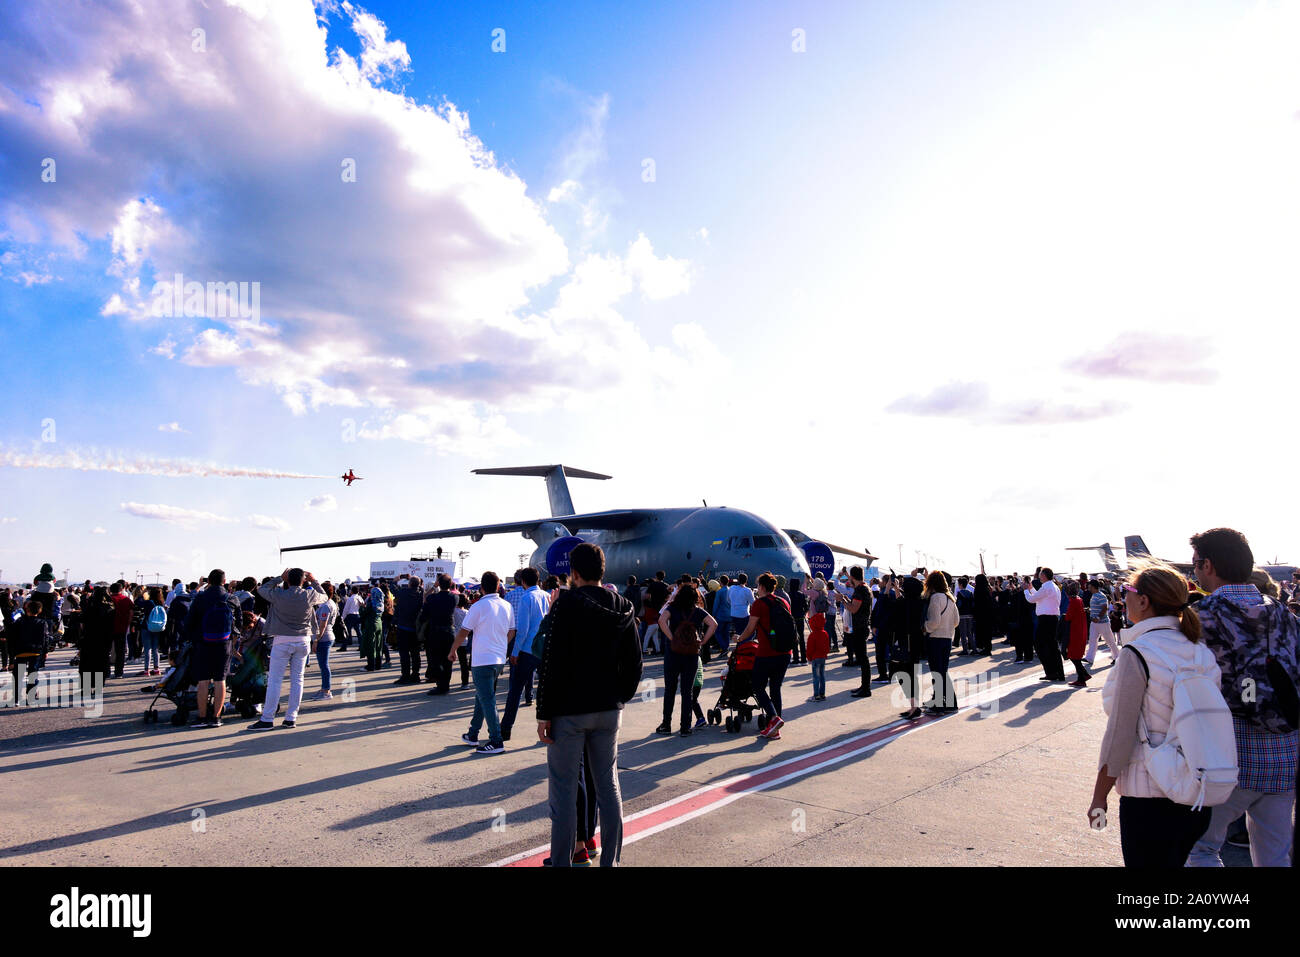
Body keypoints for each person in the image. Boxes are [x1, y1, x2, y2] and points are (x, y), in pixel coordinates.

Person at [1089, 562, 1223, 866]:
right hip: (1196, 790)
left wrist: (1100, 796)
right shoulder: (1199, 649)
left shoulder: (1138, 653)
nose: (1124, 598)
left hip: (1149, 797)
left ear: (1144, 601)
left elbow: (1120, 734)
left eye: (1128, 591)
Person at [1185, 528, 1299, 868]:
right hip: (1285, 754)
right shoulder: (1286, 615)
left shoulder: (1199, 616)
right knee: (1275, 855)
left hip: (1228, 756)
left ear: (1207, 565)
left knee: (1201, 850)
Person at [536, 543, 642, 866]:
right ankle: (611, 860)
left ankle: (562, 861)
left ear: (574, 573)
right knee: (608, 785)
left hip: (569, 711)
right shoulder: (623, 606)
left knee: (564, 792)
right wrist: (618, 697)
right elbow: (635, 664)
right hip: (609, 709)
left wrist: (544, 712)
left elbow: (550, 661)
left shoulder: (566, 605)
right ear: (602, 571)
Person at [249, 568, 326, 730]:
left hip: (282, 639)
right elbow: (325, 597)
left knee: (275, 680)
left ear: (288, 580)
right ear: (303, 580)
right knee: (297, 679)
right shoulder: (309, 595)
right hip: (303, 639)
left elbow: (261, 589)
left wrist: (278, 578)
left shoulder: (278, 594)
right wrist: (314, 581)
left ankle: (268, 718)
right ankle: (291, 717)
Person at [450, 571, 513, 755]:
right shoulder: (507, 606)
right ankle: (472, 734)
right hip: (498, 659)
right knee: (482, 696)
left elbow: (463, 632)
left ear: (482, 588)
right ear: (499, 586)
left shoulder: (478, 606)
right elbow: (511, 631)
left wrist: (452, 650)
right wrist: (500, 645)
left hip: (482, 659)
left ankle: (496, 740)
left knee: (487, 700)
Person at [732, 572, 793, 739]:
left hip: (767, 652)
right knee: (775, 689)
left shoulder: (759, 604)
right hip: (785, 652)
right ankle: (775, 728)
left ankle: (773, 718)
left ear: (762, 587)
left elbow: (751, 628)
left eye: (758, 586)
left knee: (758, 686)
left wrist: (740, 638)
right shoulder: (783, 602)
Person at [185, 570, 244, 728]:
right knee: (220, 680)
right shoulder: (232, 598)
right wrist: (233, 641)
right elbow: (239, 624)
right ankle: (216, 718)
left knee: (203, 680)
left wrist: (192, 638)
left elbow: (189, 622)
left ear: (208, 581)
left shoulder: (200, 598)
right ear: (224, 581)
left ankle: (202, 717)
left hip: (202, 642)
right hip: (224, 643)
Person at [656, 583, 716, 735]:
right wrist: (702, 641)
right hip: (691, 654)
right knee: (687, 691)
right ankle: (685, 727)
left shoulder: (672, 608)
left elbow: (661, 621)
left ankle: (666, 724)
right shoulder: (698, 611)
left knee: (669, 689)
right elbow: (713, 624)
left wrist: (671, 638)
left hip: (673, 653)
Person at [500, 567, 550, 741]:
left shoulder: (526, 597)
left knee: (515, 691)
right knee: (545, 691)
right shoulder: (546, 596)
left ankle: (505, 729)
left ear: (522, 582)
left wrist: (514, 652)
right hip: (544, 649)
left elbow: (523, 629)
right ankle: (549, 727)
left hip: (528, 649)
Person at [921, 571, 959, 714]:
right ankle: (950, 703)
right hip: (948, 638)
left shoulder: (936, 598)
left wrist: (925, 627)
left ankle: (939, 705)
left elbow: (934, 621)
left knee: (937, 673)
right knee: (942, 672)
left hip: (935, 638)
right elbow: (956, 621)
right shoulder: (950, 598)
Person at [891, 574, 928, 720]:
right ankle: (914, 706)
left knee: (903, 674)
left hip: (903, 642)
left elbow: (893, 619)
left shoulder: (902, 603)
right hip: (916, 641)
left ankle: (914, 706)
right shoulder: (921, 602)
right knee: (912, 673)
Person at [420, 574, 459, 695]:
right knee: (448, 660)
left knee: (435, 659)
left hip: (435, 631)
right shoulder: (454, 598)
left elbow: (425, 599)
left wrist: (433, 587)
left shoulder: (432, 598)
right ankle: (445, 685)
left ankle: (440, 685)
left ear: (438, 584)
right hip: (449, 630)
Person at [1025, 568, 1066, 681]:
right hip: (1052, 618)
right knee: (1051, 646)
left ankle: (1051, 672)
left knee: (1041, 645)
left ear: (1044, 576)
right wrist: (1031, 589)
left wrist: (1026, 591)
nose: (1039, 576)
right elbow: (1039, 596)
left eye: (1040, 575)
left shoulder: (1047, 587)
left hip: (1046, 619)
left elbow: (1032, 599)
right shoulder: (1053, 586)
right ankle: (1057, 672)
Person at [846, 567, 873, 698]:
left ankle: (866, 688)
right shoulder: (866, 588)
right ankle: (864, 685)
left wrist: (843, 601)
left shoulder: (859, 591)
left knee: (863, 658)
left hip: (860, 627)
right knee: (863, 659)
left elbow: (853, 609)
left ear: (852, 577)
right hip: (863, 626)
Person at [392, 576, 424, 685]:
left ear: (409, 584)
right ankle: (416, 675)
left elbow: (393, 586)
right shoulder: (421, 595)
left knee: (404, 653)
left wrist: (401, 577)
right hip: (415, 628)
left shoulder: (403, 593)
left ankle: (405, 675)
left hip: (403, 626)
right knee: (415, 653)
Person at [312, 582, 339, 700]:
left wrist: (316, 641)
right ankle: (324, 688)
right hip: (327, 636)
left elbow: (322, 625)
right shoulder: (330, 603)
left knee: (324, 665)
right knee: (323, 665)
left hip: (324, 638)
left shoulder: (325, 606)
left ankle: (327, 690)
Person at [1086, 579, 1120, 665]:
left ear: (1093, 586)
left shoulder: (1101, 596)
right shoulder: (1094, 595)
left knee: (1110, 641)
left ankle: (1117, 657)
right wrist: (1090, 611)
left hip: (1102, 622)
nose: (1088, 587)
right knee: (1092, 640)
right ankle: (1089, 658)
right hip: (1095, 622)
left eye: (1089, 586)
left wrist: (1098, 617)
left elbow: (1105, 608)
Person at [1063, 581, 1091, 686]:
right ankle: (1082, 676)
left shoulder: (1073, 601)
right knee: (1076, 656)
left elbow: (1068, 617)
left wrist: (1064, 616)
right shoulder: (1079, 600)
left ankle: (1083, 676)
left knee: (1073, 655)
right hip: (1080, 629)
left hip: (1075, 630)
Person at [806, 580, 830, 701]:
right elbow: (827, 646)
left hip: (815, 657)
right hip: (823, 657)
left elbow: (809, 648)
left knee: (815, 676)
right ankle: (822, 694)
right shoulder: (824, 633)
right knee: (822, 676)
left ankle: (816, 695)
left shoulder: (812, 635)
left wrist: (809, 657)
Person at [109, 581, 133, 678]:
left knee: (106, 651)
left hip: (108, 628)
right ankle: (119, 672)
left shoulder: (108, 599)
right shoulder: (126, 600)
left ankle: (106, 672)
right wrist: (128, 624)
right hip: (122, 628)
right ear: (122, 589)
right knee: (120, 651)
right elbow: (131, 613)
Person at [973, 574, 995, 657]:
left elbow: (976, 603)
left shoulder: (978, 589)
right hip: (989, 613)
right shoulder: (988, 588)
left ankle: (983, 648)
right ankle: (988, 648)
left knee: (982, 632)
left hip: (980, 614)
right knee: (988, 632)